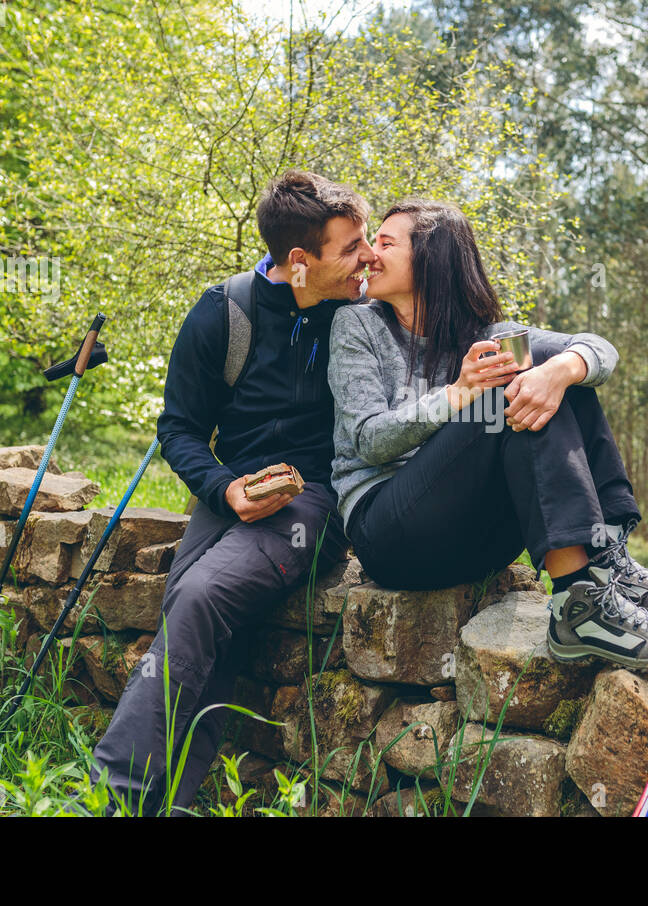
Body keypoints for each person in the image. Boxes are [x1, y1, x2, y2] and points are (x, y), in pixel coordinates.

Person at [90, 170, 373, 815]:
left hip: (318, 507)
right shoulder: (225, 313)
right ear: (299, 260)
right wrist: (227, 490)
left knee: (195, 598)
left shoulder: (364, 317)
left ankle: (111, 800)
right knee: (200, 627)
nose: (369, 257)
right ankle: (170, 806)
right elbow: (180, 428)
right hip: (234, 502)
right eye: (352, 247)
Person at [328, 199, 648, 670]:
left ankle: (607, 560)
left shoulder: (487, 335)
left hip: (479, 542)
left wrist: (564, 370)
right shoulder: (357, 324)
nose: (370, 254)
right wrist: (459, 393)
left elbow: (598, 349)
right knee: (509, 387)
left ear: (431, 259)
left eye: (386, 243)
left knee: (557, 378)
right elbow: (367, 438)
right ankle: (578, 607)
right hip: (390, 535)